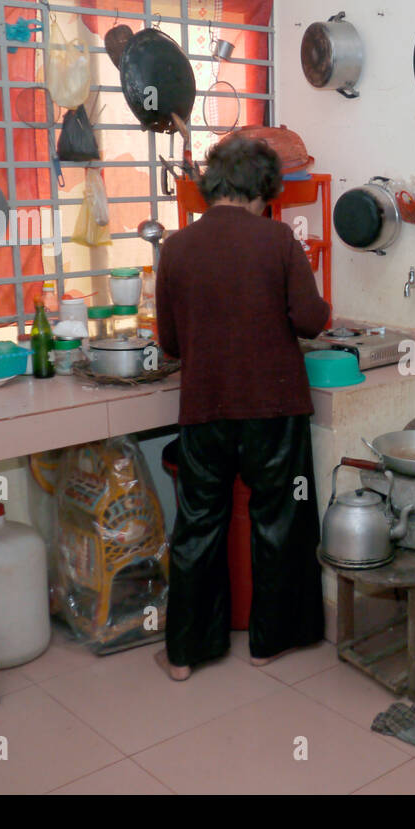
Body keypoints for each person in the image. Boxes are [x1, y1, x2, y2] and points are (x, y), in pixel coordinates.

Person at [154, 137, 331, 681]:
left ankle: (186, 654)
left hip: (205, 408)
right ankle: (268, 643)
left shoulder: (177, 247)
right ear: (262, 191)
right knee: (278, 521)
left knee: (199, 525)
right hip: (273, 408)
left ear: (213, 186)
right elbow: (309, 319)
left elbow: (170, 343)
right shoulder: (278, 240)